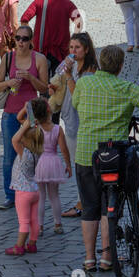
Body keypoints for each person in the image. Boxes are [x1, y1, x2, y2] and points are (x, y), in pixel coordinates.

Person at [72, 45, 139, 273]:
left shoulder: (85, 83)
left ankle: (89, 258)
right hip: (114, 156)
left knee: (89, 207)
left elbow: (76, 104)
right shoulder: (124, 87)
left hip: (87, 154)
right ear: (120, 66)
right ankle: (108, 258)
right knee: (110, 207)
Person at [0, 22, 50, 210]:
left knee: (33, 153)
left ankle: (33, 190)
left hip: (31, 113)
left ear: (31, 41)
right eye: (17, 38)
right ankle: (10, 195)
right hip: (10, 111)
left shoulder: (39, 59)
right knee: (9, 155)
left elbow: (44, 88)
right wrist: (10, 82)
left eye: (24, 39)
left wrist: (30, 78)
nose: (20, 42)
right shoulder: (8, 58)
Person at [56, 33, 99, 219]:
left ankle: (83, 203)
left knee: (82, 166)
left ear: (86, 49)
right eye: (71, 47)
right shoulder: (68, 64)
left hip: (82, 123)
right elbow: (56, 81)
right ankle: (86, 201)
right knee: (79, 165)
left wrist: (67, 76)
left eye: (77, 48)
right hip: (70, 119)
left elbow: (78, 96)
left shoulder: (89, 71)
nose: (73, 51)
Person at [20, 0, 82, 75]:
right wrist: (73, 43)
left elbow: (24, 19)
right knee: (58, 85)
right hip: (61, 52)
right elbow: (79, 23)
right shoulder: (68, 4)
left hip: (40, 50)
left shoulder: (39, 1)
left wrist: (30, 39)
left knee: (41, 83)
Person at [30, 94, 71, 234]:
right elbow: (64, 149)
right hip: (53, 161)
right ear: (49, 111)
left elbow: (33, 148)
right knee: (54, 195)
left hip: (41, 162)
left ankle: (39, 226)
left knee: (41, 196)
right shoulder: (57, 129)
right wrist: (68, 164)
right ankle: (57, 224)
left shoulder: (35, 129)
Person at [5, 117, 43, 256]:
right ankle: (32, 244)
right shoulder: (38, 152)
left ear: (26, 140)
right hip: (35, 190)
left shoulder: (24, 152)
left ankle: (19, 246)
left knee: (24, 221)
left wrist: (25, 125)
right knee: (34, 219)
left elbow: (14, 139)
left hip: (23, 192)